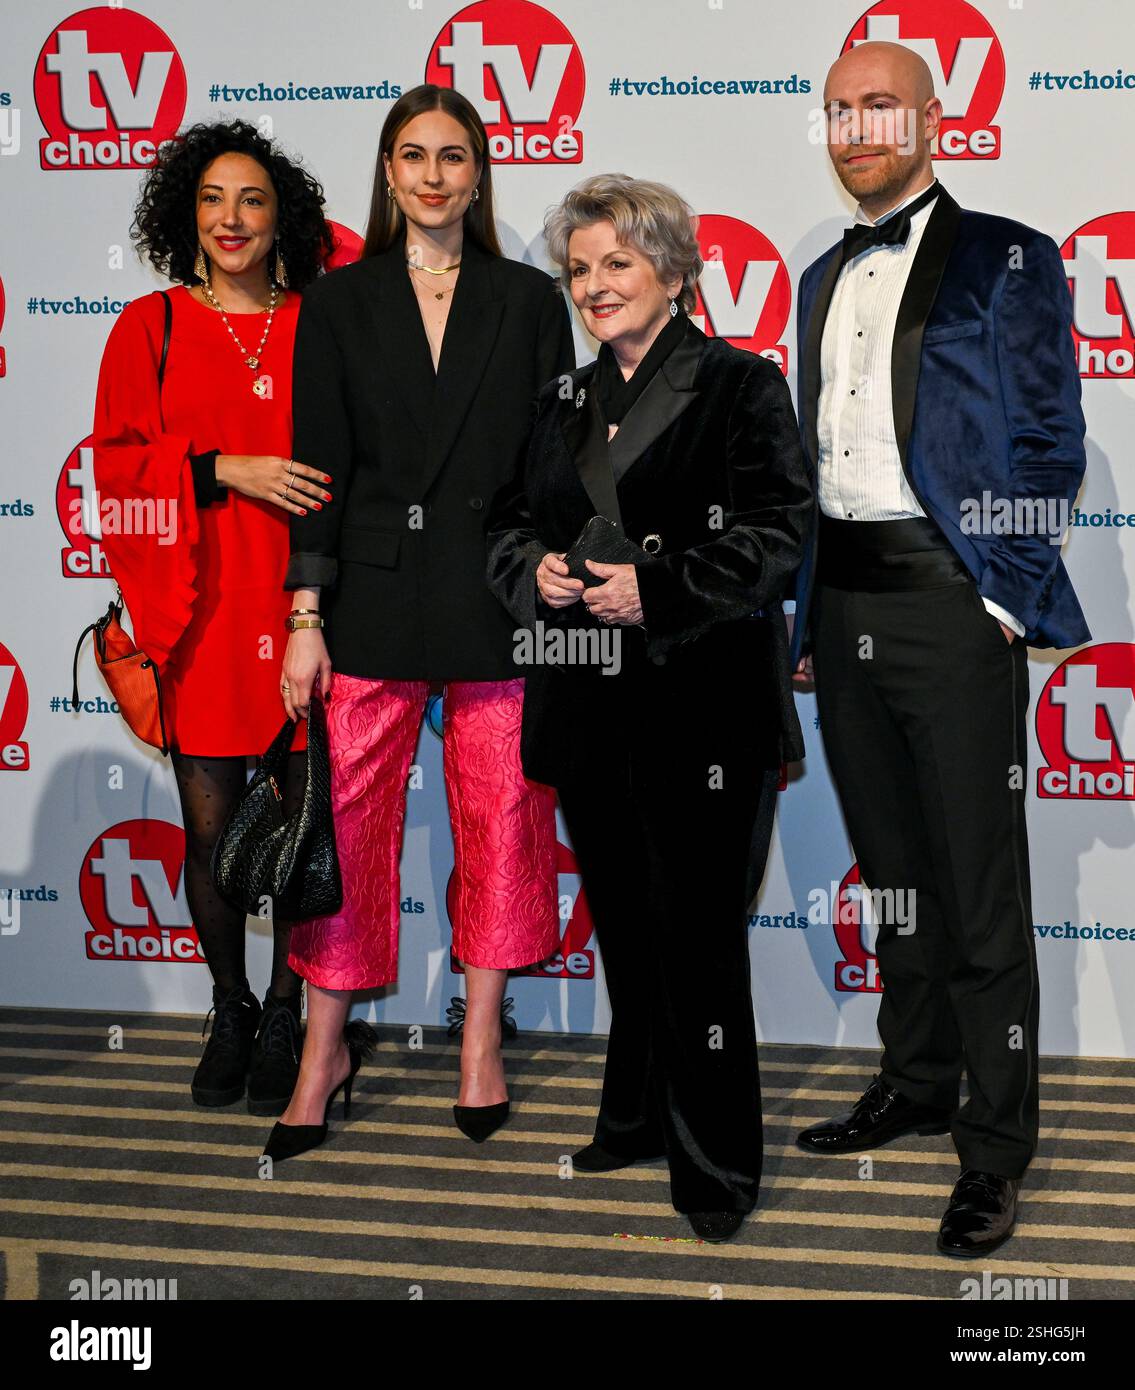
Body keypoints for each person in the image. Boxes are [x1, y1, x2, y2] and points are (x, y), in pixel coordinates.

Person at [790, 41, 1089, 1257]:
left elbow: (1048, 445)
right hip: (846, 609)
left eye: (879, 105)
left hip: (952, 609)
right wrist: (808, 617)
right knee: (895, 874)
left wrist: (1002, 606)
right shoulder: (818, 272)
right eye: (838, 109)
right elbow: (817, 467)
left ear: (932, 119)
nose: (856, 126)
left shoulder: (1008, 254)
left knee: (977, 895)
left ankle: (994, 1146)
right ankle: (913, 1080)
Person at [485, 174, 812, 1242]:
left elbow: (778, 535)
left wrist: (659, 587)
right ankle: (631, 1116)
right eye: (578, 269)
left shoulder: (738, 386)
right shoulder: (556, 399)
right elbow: (501, 526)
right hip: (585, 711)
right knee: (626, 932)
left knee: (697, 944)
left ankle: (715, 1163)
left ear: (674, 270)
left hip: (703, 716)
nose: (594, 286)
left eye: (617, 263)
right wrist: (528, 568)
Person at [262, 85, 575, 1163]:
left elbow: (550, 468)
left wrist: (548, 573)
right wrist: (305, 612)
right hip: (372, 597)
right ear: (388, 174)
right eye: (412, 156)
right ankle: (321, 1056)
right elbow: (318, 469)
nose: (433, 175)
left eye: (453, 156)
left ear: (479, 174)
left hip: (496, 597)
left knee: (505, 817)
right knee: (344, 829)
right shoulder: (338, 303)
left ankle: (480, 1042)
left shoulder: (530, 300)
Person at [91, 120, 334, 1115]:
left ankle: (289, 1012)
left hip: (307, 605)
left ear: (284, 221)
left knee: (304, 828)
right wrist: (220, 469)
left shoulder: (321, 322)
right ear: (185, 213)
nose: (231, 219)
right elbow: (113, 468)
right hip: (199, 612)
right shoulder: (148, 326)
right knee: (210, 832)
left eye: (252, 200)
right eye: (212, 199)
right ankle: (229, 1006)